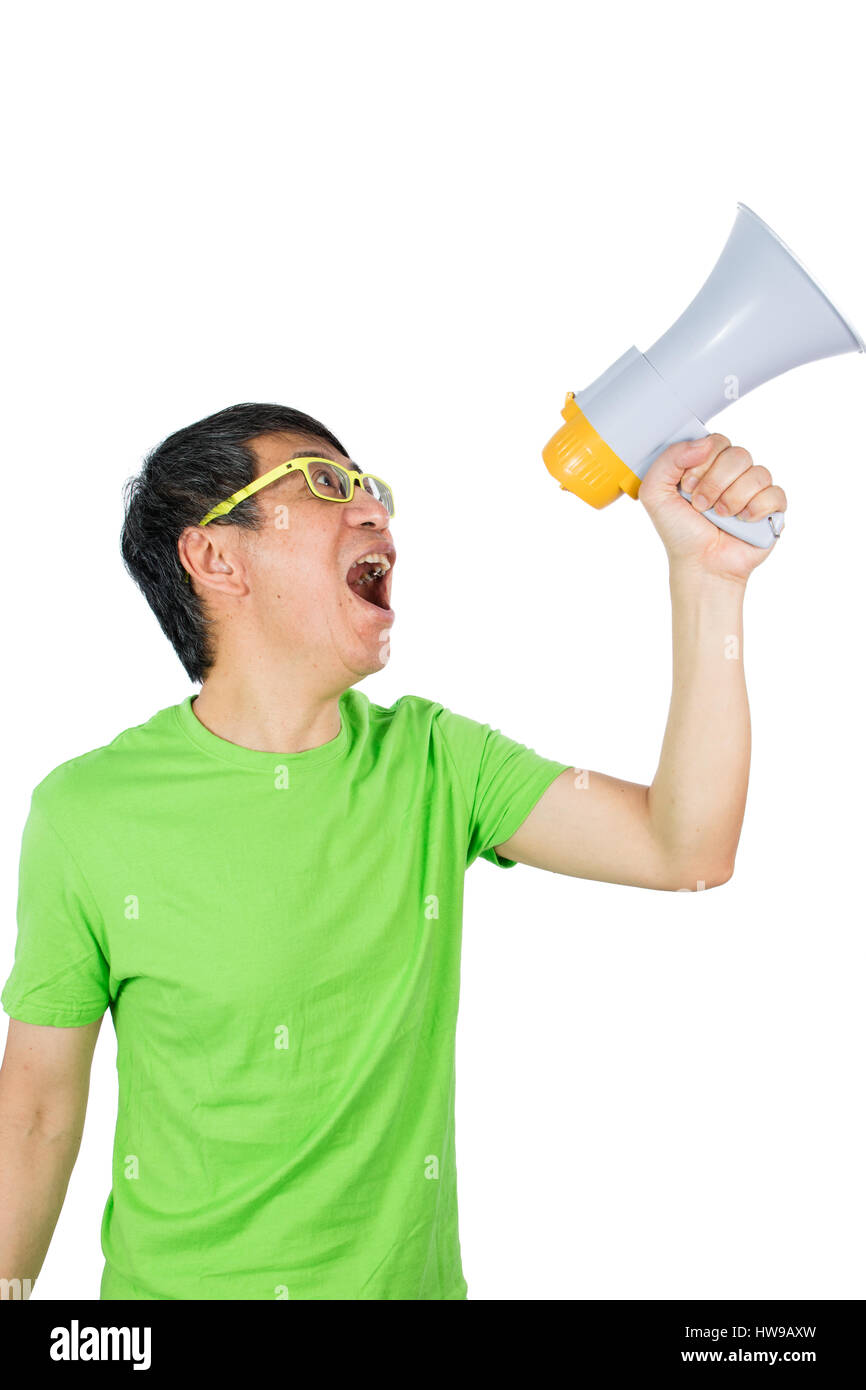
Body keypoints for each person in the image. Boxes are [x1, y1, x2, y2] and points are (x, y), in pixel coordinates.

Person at [0, 401, 785, 1301]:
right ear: (216, 555)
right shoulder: (85, 812)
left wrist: (710, 577)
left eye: (373, 488)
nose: (376, 511)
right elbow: (34, 1112)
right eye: (329, 485)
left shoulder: (435, 763)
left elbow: (684, 847)